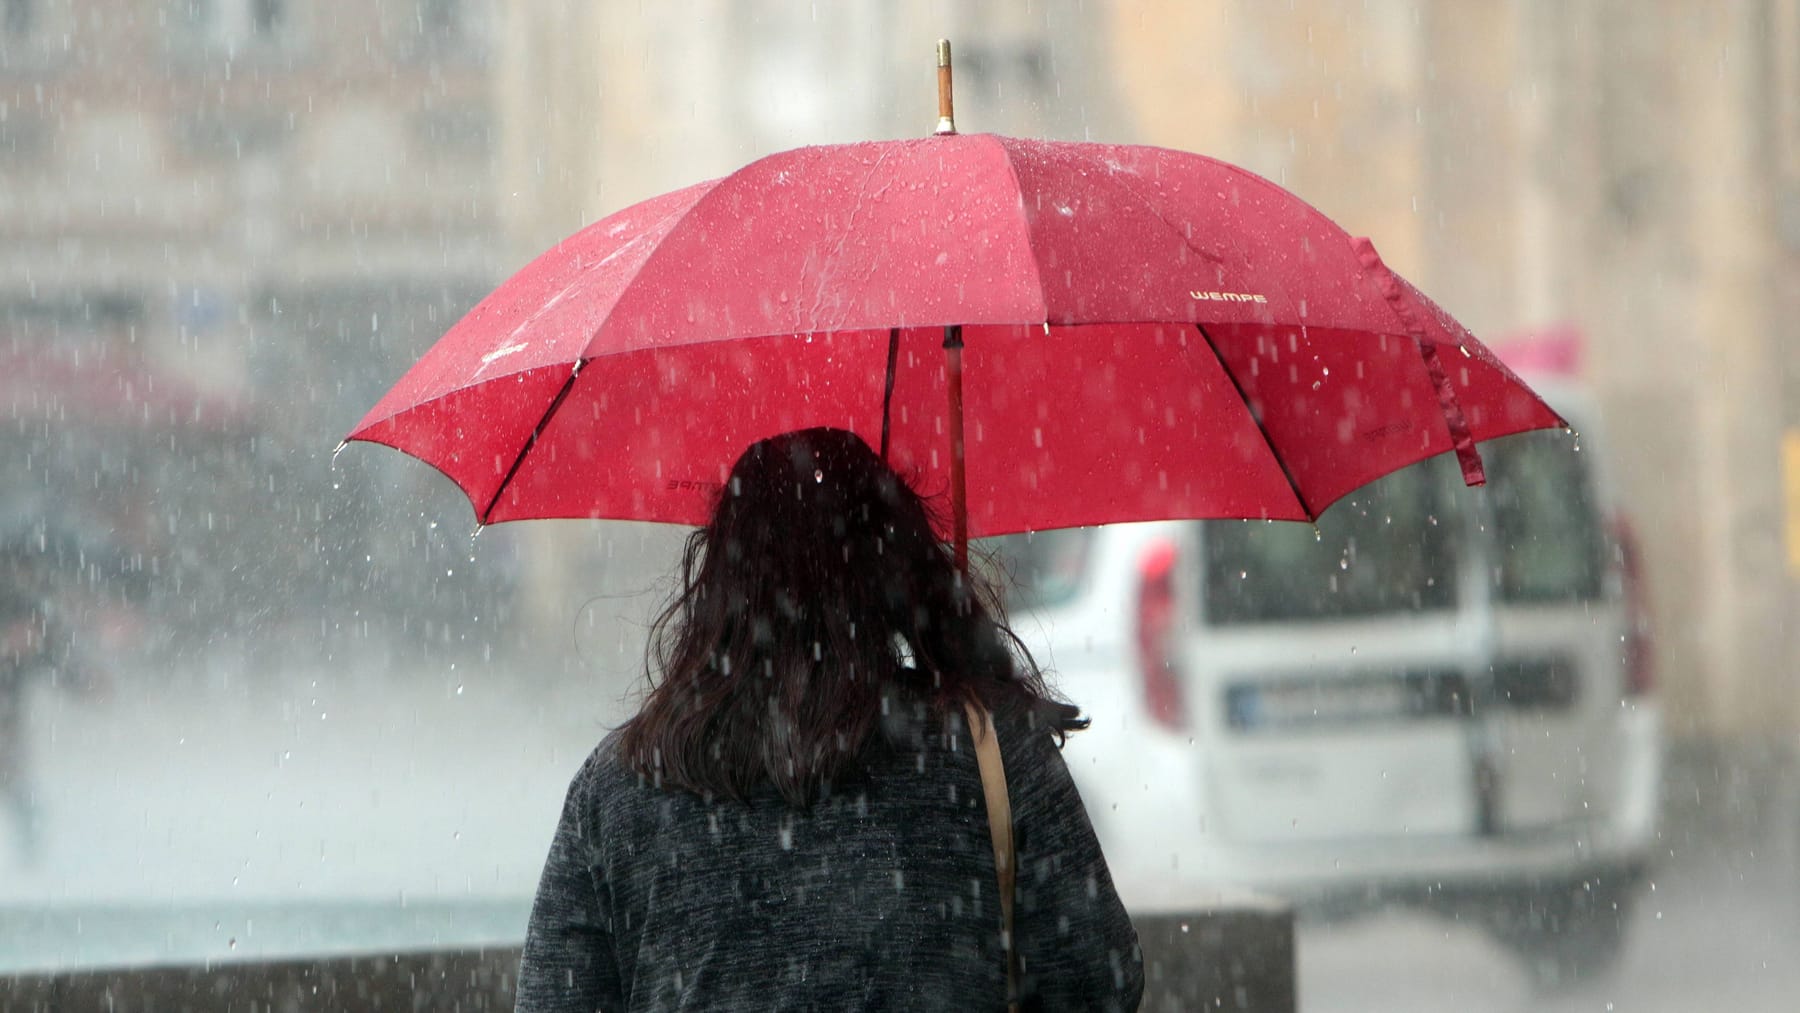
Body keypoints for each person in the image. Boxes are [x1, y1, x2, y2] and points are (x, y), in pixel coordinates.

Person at [516, 427, 1143, 1011]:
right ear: (892, 567)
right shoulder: (990, 750)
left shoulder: (622, 784)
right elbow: (1101, 980)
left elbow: (555, 996)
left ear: (720, 580)